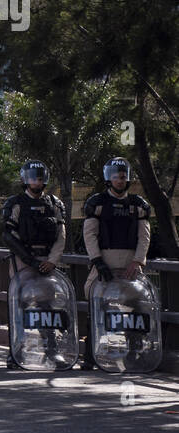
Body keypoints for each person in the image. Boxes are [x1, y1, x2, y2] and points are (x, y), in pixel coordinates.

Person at [81, 157, 152, 370]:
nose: (120, 180)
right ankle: (91, 355)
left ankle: (134, 352)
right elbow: (90, 234)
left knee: (137, 305)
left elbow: (144, 236)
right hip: (104, 259)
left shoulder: (138, 204)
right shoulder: (97, 203)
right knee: (93, 300)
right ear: (108, 179)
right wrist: (97, 261)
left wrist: (138, 261)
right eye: (116, 176)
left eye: (123, 176)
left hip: (131, 260)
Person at [2, 160, 70, 368]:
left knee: (47, 306)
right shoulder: (16, 203)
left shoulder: (55, 203)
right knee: (20, 304)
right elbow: (8, 234)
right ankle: (16, 351)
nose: (36, 181)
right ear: (25, 179)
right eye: (32, 177)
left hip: (47, 260)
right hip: (23, 261)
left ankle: (51, 350)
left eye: (39, 178)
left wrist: (52, 260)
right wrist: (28, 259)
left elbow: (61, 235)